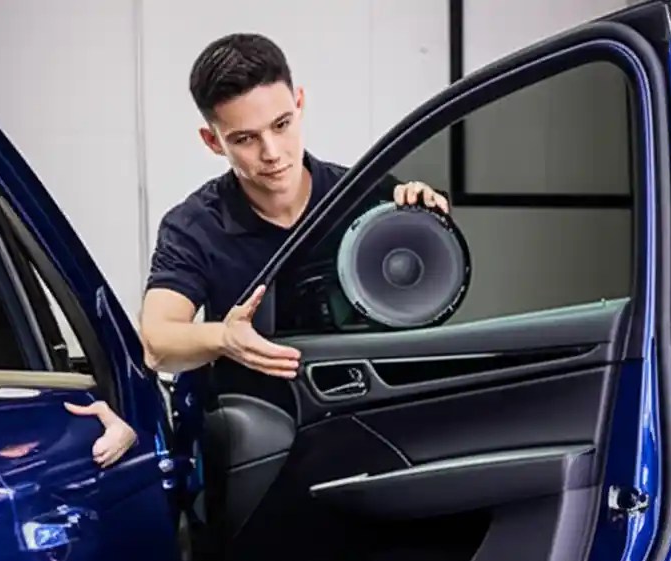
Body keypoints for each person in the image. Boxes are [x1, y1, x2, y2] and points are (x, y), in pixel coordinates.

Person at [139, 32, 447, 379]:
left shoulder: (368, 197)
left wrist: (423, 222)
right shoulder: (194, 225)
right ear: (212, 141)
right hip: (252, 418)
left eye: (281, 125)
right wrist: (224, 338)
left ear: (299, 103)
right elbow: (156, 342)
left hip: (368, 405)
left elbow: (432, 301)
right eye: (245, 139)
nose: (271, 153)